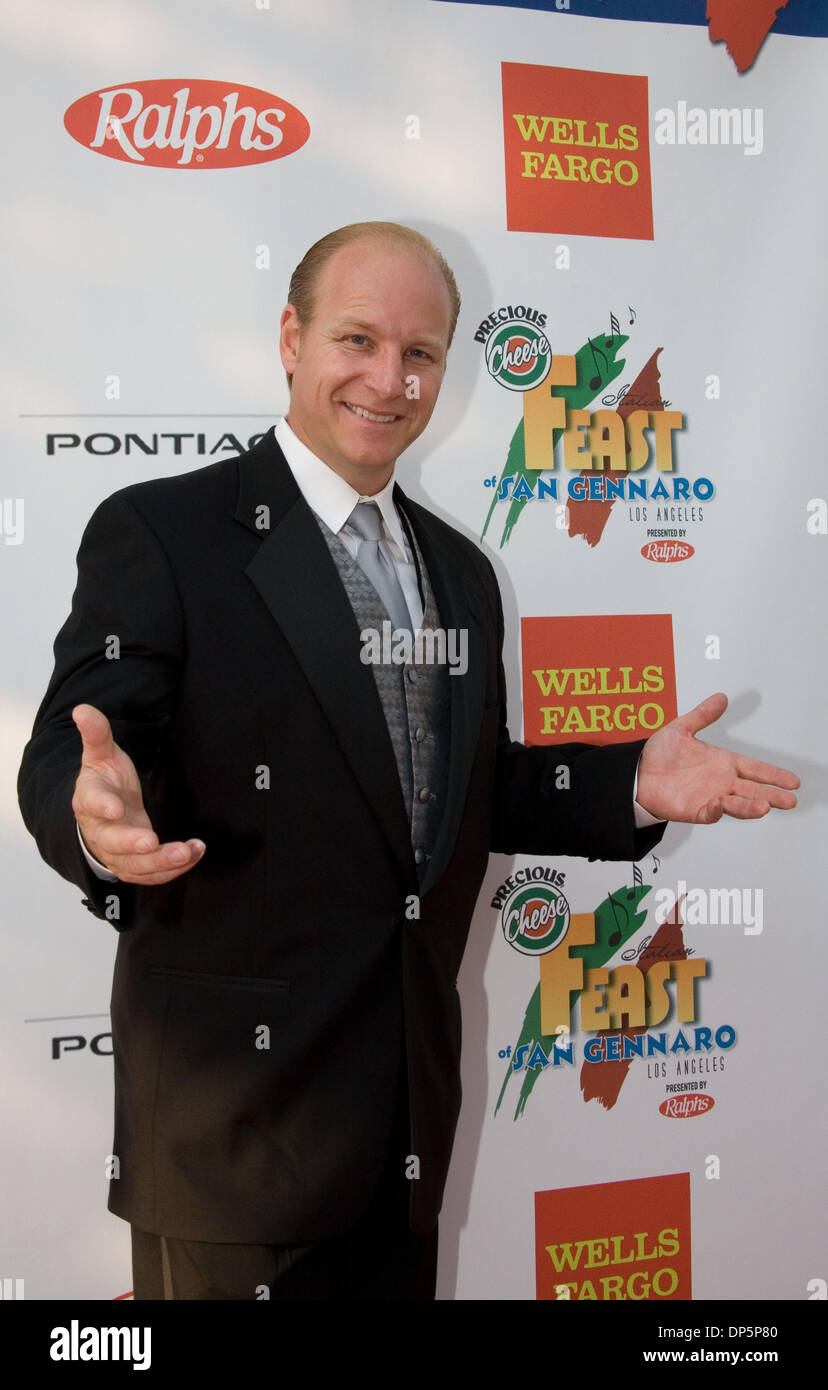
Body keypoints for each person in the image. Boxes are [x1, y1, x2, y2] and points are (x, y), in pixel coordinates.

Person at [17, 222, 799, 1300]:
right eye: (357, 340)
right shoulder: (165, 531)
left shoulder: (461, 572)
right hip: (234, 1137)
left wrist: (628, 782)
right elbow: (78, 741)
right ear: (290, 339)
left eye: (420, 351)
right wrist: (89, 813)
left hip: (405, 1131)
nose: (390, 380)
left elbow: (459, 791)